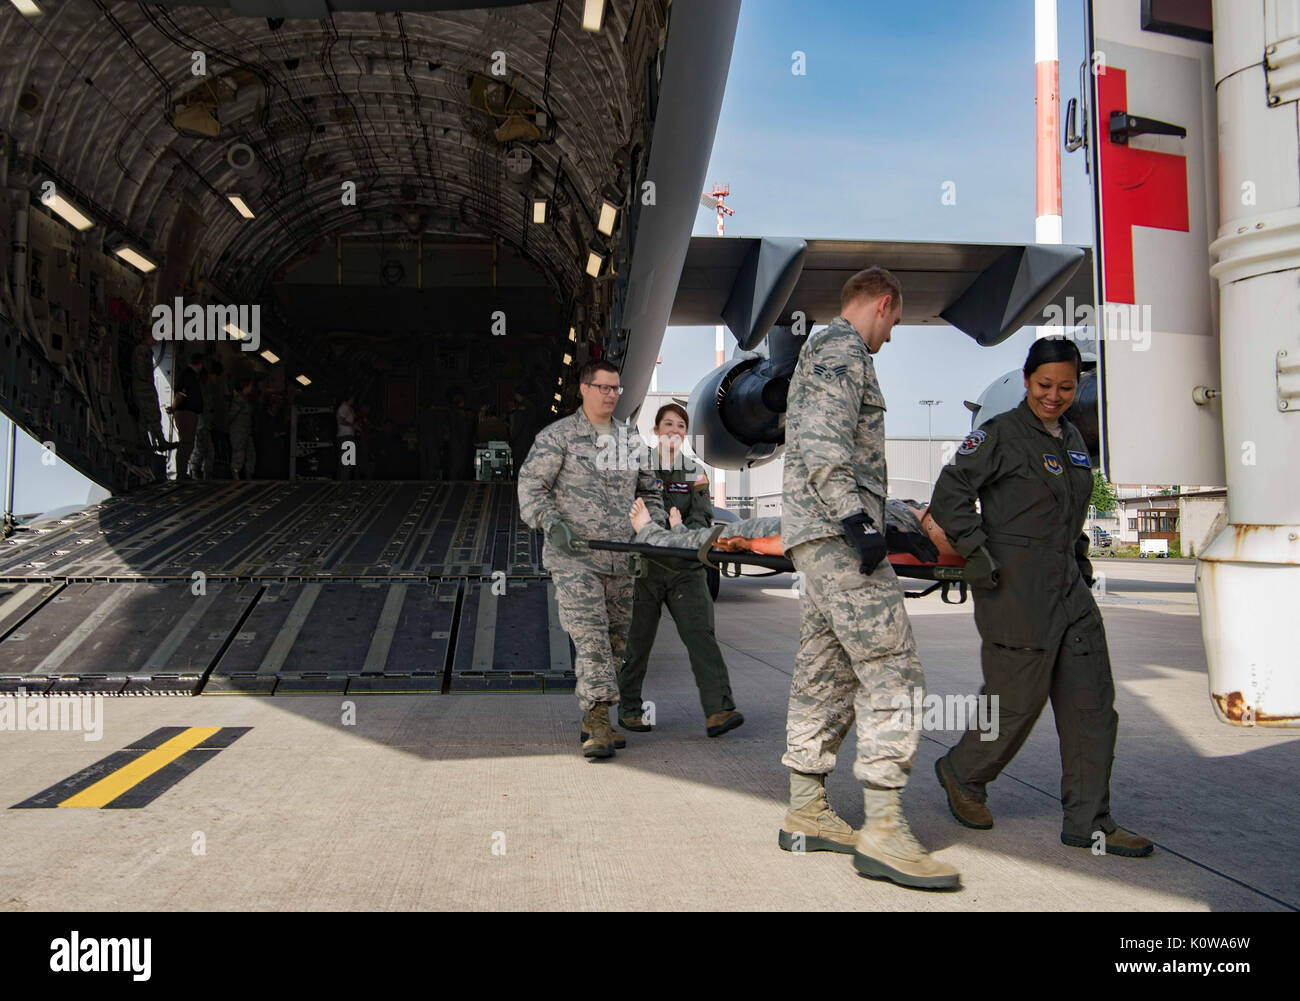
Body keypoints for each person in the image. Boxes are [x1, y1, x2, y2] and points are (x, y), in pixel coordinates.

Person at [927, 337, 1153, 858]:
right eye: (1044, 385)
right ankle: (963, 773)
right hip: (1014, 582)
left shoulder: (1073, 437)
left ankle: (1090, 822)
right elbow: (951, 492)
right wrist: (976, 550)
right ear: (1027, 380)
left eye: (1066, 387)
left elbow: (1067, 506)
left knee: (1093, 704)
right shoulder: (999, 434)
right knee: (1016, 703)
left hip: (1068, 584)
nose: (1054, 396)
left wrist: (1078, 552)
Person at [777, 266, 958, 890]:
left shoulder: (825, 350)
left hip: (820, 535)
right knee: (892, 667)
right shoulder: (840, 348)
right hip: (836, 536)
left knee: (823, 670)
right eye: (897, 321)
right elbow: (823, 439)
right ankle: (883, 829)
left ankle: (807, 811)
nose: (893, 335)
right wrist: (858, 522)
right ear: (883, 304)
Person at [517, 359, 668, 760]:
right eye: (603, 387)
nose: (611, 394)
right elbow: (531, 487)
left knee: (618, 643)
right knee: (593, 640)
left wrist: (649, 533)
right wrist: (551, 523)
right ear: (583, 389)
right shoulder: (558, 437)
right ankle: (600, 722)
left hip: (621, 559)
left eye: (616, 388)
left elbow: (651, 492)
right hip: (574, 558)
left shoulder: (630, 440)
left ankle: (591, 712)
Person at [617, 403, 743, 737]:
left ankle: (719, 710)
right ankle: (629, 708)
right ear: (656, 430)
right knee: (637, 641)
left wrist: (679, 532)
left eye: (681, 426)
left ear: (685, 435)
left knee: (701, 636)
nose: (674, 430)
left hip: (685, 568)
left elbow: (702, 519)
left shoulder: (695, 472)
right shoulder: (638, 467)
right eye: (668, 424)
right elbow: (627, 512)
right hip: (645, 568)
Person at [130, 326, 175, 455]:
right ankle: (160, 441)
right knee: (153, 414)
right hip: (144, 389)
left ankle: (145, 442)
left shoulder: (145, 350)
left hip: (144, 387)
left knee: (145, 417)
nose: (156, 340)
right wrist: (147, 381)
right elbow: (141, 370)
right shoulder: (142, 350)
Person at [167, 353, 205, 480]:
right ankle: (181, 473)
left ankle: (183, 472)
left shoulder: (191, 376)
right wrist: (173, 406)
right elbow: (181, 394)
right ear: (199, 364)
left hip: (189, 413)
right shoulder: (188, 375)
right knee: (186, 443)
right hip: (186, 413)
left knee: (188, 443)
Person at [228, 378, 255, 480]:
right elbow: (231, 415)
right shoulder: (239, 400)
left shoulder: (245, 400)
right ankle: (236, 474)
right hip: (239, 431)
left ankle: (248, 474)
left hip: (245, 431)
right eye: (250, 386)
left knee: (250, 454)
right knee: (239, 454)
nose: (251, 388)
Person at [508, 392, 536, 475]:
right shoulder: (525, 412)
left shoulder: (521, 413)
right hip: (524, 442)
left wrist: (512, 439)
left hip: (520, 443)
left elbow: (516, 429)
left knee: (519, 463)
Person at [337, 393, 358, 480]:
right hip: (345, 436)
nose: (353, 400)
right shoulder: (344, 407)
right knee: (347, 462)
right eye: (352, 399)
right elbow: (341, 421)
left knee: (348, 462)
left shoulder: (348, 408)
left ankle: (344, 480)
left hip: (348, 436)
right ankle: (343, 482)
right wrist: (352, 425)